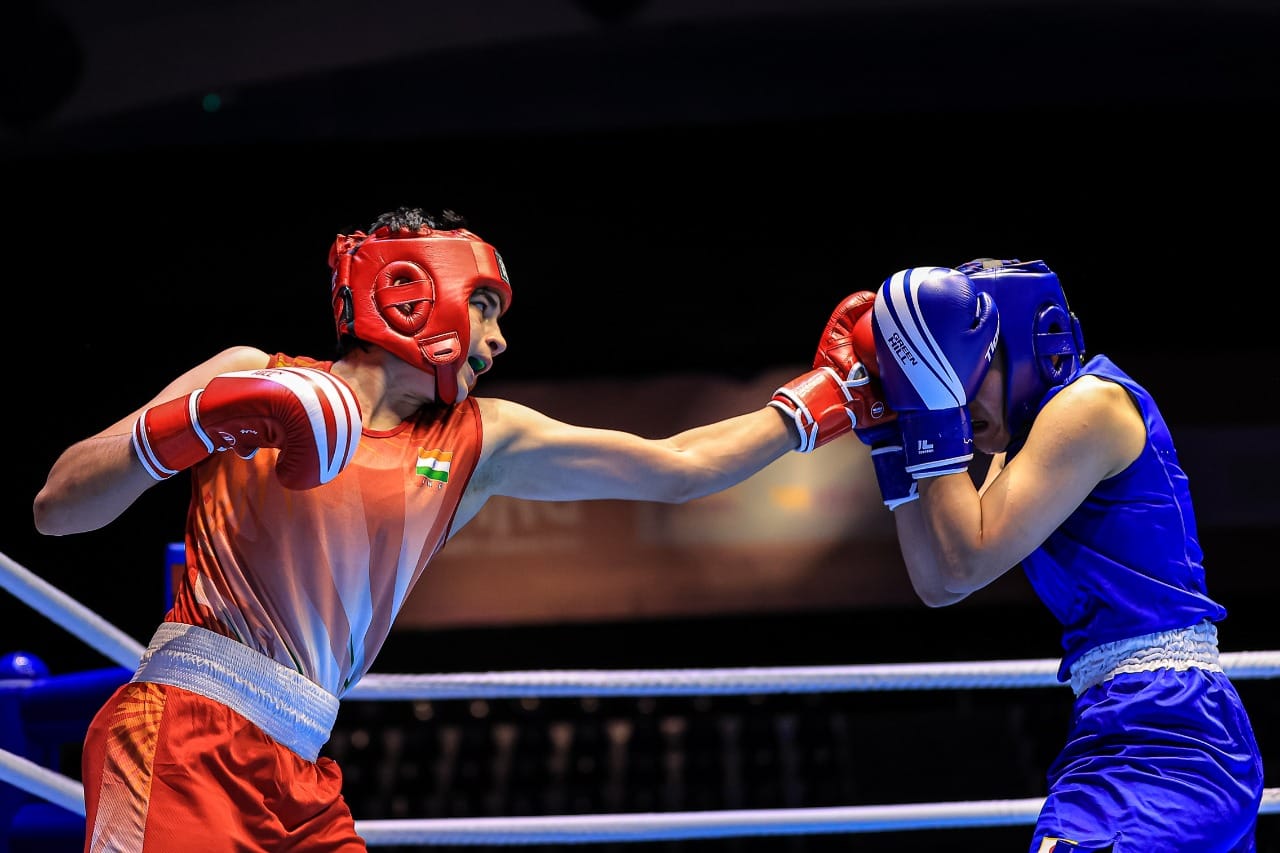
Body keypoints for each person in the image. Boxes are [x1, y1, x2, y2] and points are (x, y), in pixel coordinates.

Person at [32, 205, 890, 852]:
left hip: (300, 765)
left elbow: (679, 466)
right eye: (486, 305)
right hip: (181, 730)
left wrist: (820, 399)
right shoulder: (251, 375)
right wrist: (199, 422)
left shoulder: (482, 439)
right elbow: (58, 507)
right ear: (413, 288)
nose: (500, 337)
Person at [838, 258, 1264, 852]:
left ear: (1023, 347)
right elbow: (942, 583)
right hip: (1123, 725)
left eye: (959, 373)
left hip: (1166, 730)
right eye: (939, 382)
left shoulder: (1092, 404)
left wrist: (927, 414)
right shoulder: (1018, 450)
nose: (954, 400)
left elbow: (964, 559)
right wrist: (892, 439)